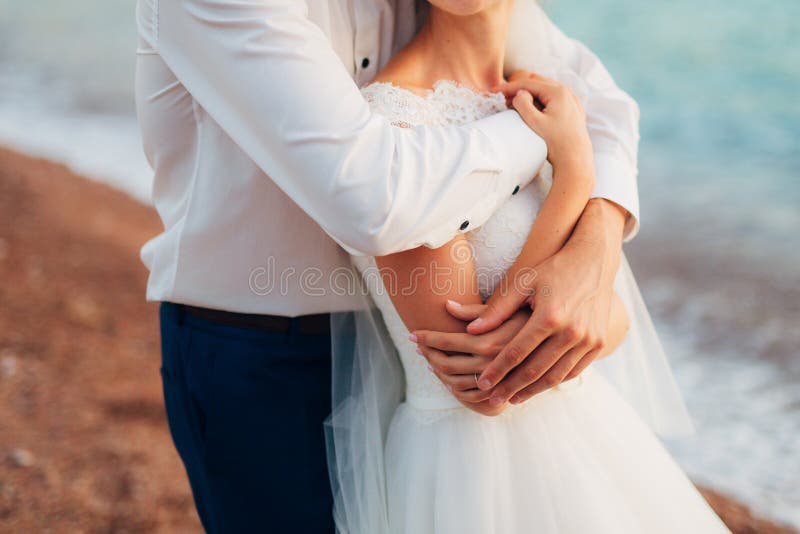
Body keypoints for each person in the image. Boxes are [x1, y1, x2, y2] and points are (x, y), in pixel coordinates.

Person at [135, 0, 643, 531]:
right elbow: (373, 198)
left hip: (383, 344)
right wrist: (558, 153)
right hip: (254, 349)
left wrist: (599, 239)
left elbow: (600, 98)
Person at [326, 1, 731, 532]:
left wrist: (583, 314)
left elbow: (613, 317)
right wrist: (575, 177)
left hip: (588, 446)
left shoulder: (547, 100)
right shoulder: (395, 127)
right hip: (467, 475)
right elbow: (485, 388)